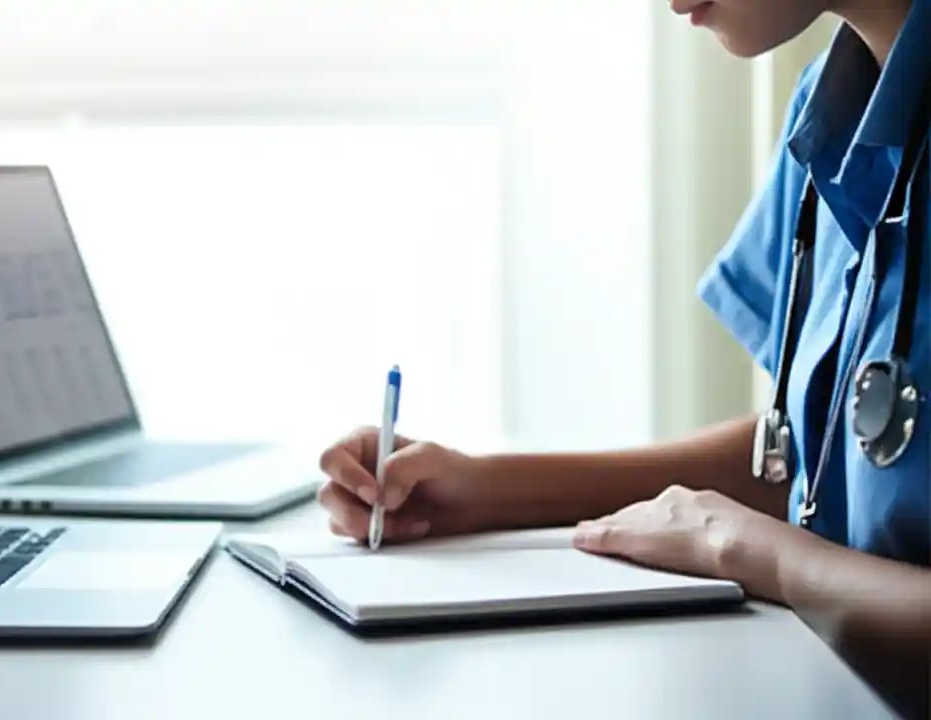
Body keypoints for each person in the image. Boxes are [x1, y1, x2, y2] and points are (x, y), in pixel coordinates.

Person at [317, 1, 930, 716]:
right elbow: (807, 459)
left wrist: (754, 554)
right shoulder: (833, 108)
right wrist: (485, 490)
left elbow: (777, 515)